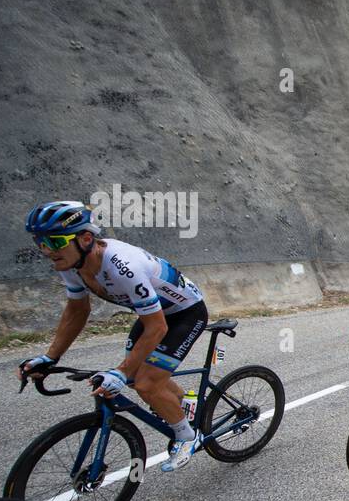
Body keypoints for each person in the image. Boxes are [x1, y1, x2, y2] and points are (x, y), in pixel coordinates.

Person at [17, 201, 209, 472]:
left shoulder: (122, 266)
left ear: (85, 239)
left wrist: (119, 371)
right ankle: (185, 403)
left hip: (184, 313)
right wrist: (49, 357)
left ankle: (187, 437)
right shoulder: (71, 264)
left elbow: (157, 328)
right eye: (40, 242)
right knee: (133, 378)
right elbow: (77, 310)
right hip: (155, 314)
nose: (47, 250)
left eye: (55, 241)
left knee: (145, 383)